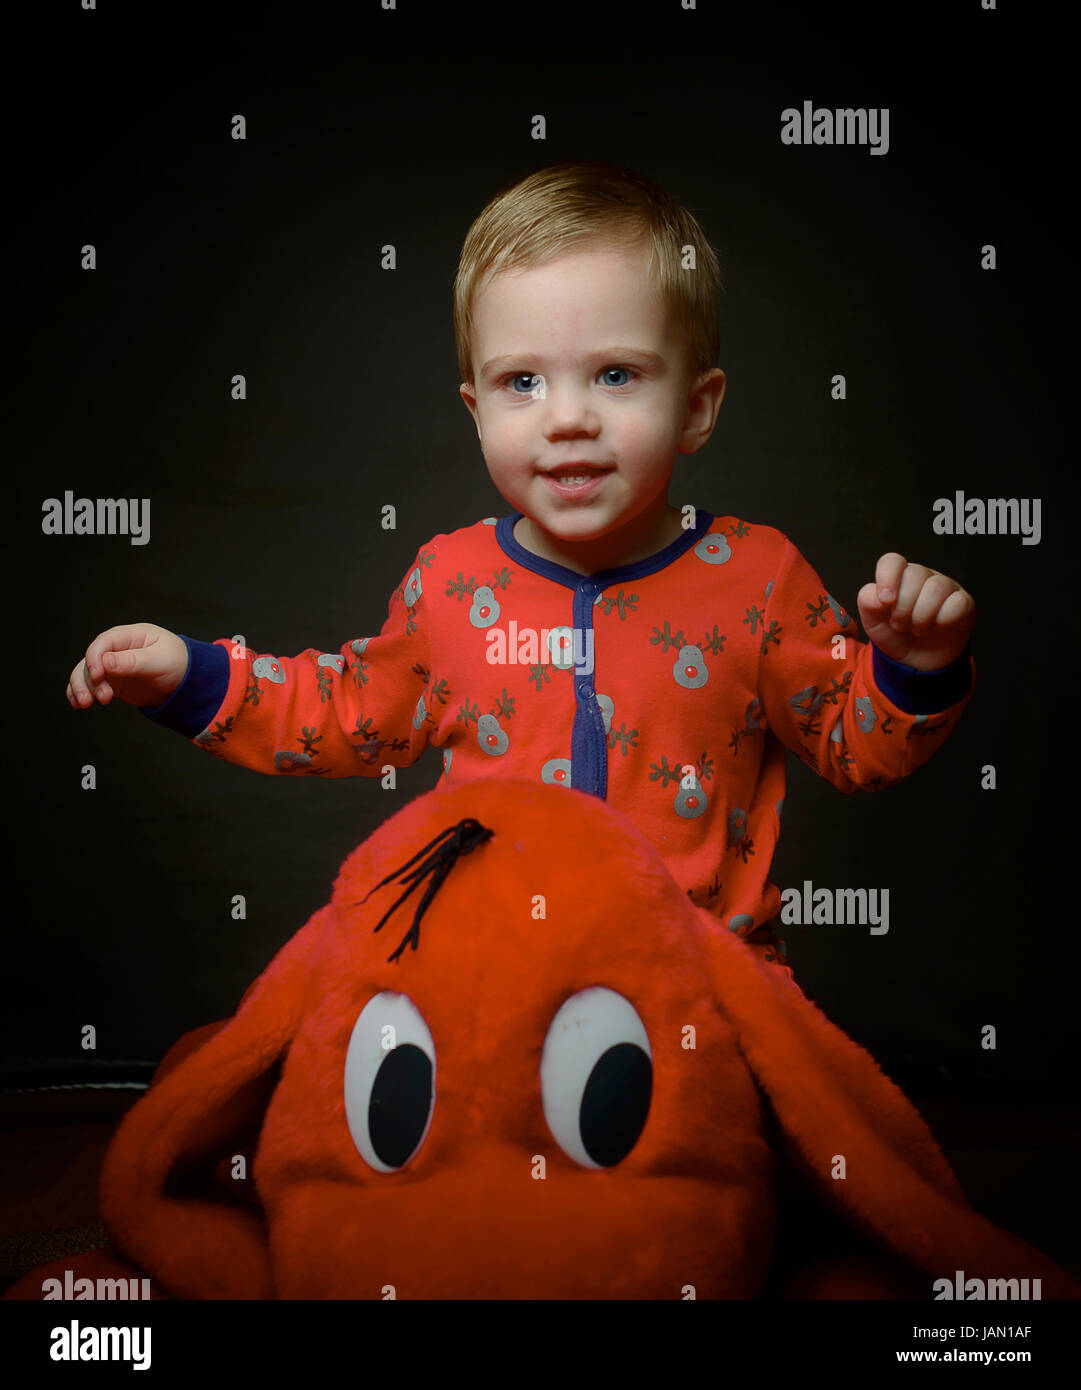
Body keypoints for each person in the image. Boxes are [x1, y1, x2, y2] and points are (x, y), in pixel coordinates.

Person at [65, 160, 976, 976]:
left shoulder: (758, 577)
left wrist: (912, 669)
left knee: (745, 1154)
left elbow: (856, 750)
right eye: (522, 382)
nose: (567, 417)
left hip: (699, 985)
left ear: (697, 409)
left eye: (616, 375)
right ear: (474, 410)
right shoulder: (449, 581)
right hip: (487, 978)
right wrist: (189, 678)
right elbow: (345, 714)